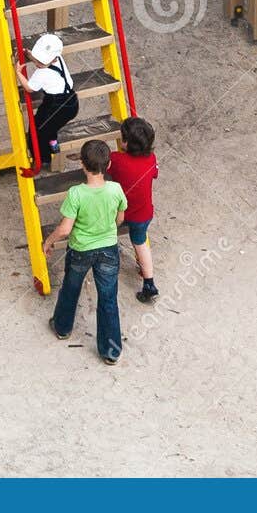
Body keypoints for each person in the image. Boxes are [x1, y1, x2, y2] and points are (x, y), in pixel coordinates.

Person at [45, 139, 126, 364]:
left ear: (82, 163)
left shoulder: (76, 193)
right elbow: (120, 218)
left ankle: (62, 327)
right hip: (108, 248)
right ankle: (111, 351)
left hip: (81, 249)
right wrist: (108, 230)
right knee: (108, 298)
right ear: (108, 165)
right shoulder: (115, 189)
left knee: (71, 288)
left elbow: (64, 229)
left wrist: (48, 242)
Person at [107, 116, 160, 303]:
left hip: (123, 213)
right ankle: (148, 280)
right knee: (140, 243)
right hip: (144, 214)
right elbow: (154, 174)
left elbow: (105, 170)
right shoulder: (151, 158)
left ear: (126, 143)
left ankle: (107, 259)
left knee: (108, 230)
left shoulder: (117, 159)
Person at [20, 33, 78, 166]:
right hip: (71, 100)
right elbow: (42, 61)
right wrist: (30, 55)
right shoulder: (58, 59)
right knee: (51, 124)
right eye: (37, 59)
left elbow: (29, 88)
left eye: (41, 61)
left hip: (56, 105)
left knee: (38, 129)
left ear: (51, 59)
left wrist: (18, 72)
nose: (37, 64)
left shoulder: (41, 73)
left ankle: (43, 158)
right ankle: (53, 141)